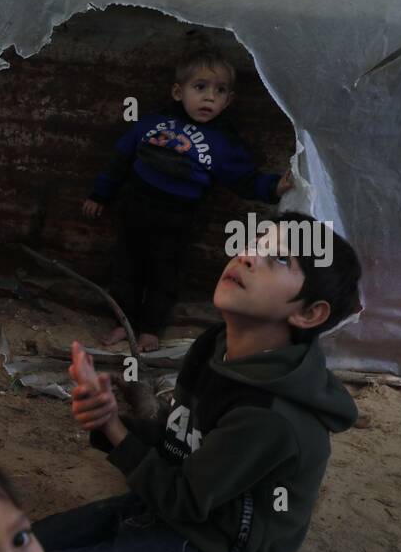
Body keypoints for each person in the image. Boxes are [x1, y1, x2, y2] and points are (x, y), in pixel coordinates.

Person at [35, 213, 362, 552]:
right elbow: (178, 444)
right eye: (253, 245)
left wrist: (117, 435)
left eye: (278, 259)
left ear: (310, 313)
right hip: (166, 510)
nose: (247, 258)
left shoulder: (271, 415)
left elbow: (185, 498)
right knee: (13, 550)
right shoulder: (215, 348)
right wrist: (108, 420)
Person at [81, 41, 294, 352]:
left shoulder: (223, 144)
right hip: (134, 212)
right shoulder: (152, 124)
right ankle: (121, 324)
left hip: (177, 220)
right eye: (201, 86)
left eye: (220, 91)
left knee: (165, 276)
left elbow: (245, 179)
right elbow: (120, 160)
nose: (209, 96)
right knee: (126, 271)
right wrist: (99, 195)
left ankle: (151, 330)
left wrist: (275, 188)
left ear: (229, 100)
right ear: (178, 92)